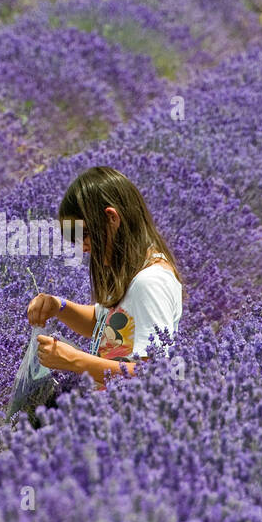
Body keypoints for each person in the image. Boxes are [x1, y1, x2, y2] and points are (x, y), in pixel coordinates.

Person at [25, 166, 183, 388]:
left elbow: (157, 375)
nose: (83, 248)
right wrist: (58, 306)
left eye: (84, 235)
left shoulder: (149, 283)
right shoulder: (131, 273)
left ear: (111, 219)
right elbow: (103, 325)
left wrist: (74, 360)